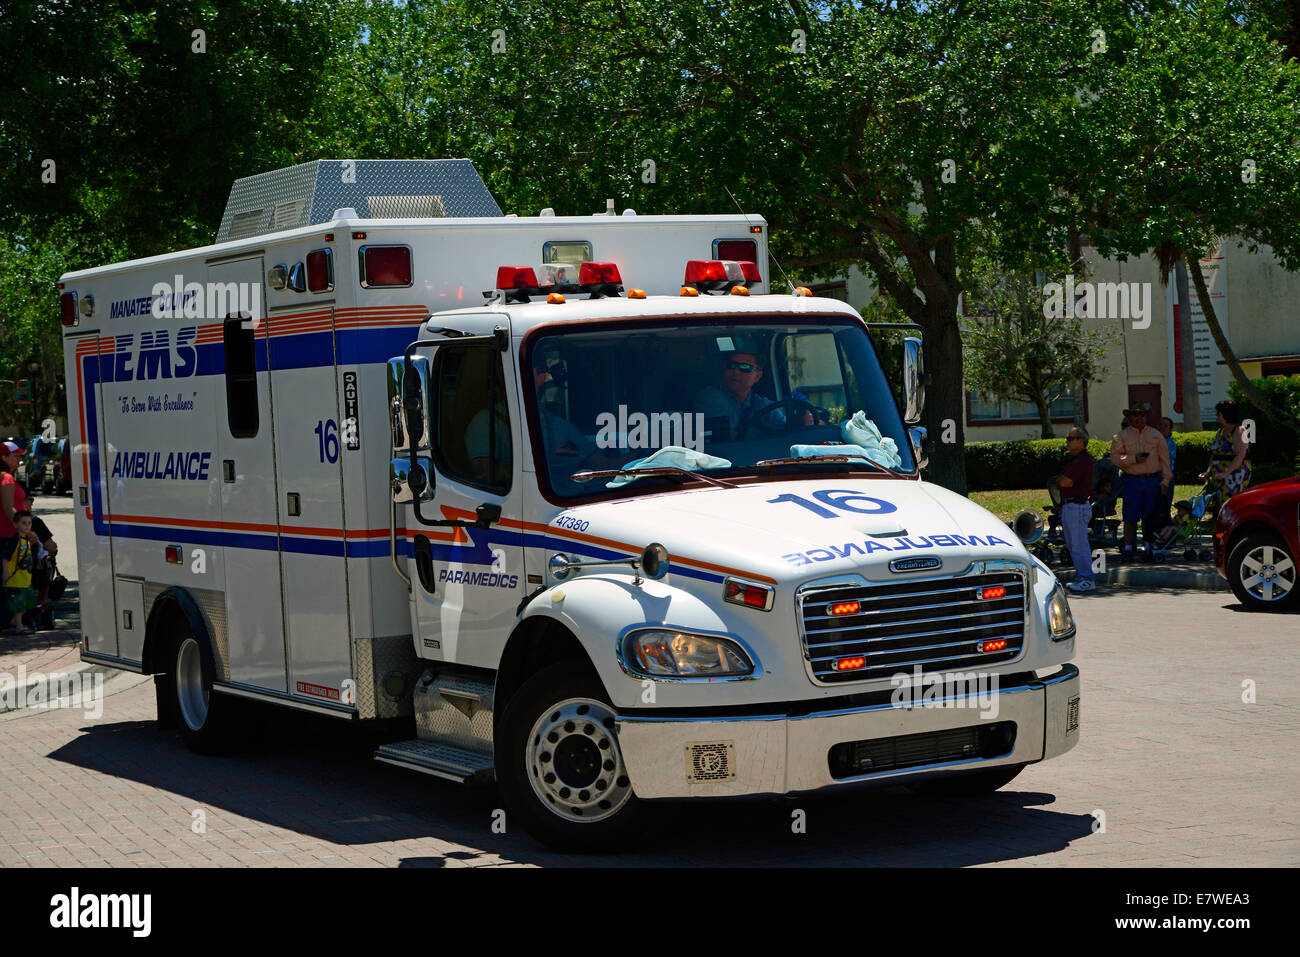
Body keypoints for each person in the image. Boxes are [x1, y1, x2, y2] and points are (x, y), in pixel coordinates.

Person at [1109, 401, 1171, 560]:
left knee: (1150, 517)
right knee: (1130, 517)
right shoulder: (1121, 436)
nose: (1139, 418)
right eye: (1135, 415)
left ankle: (1148, 548)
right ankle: (1128, 549)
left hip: (1152, 481)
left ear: (1147, 417)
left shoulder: (1156, 435)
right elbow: (1115, 458)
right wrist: (1133, 459)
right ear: (1129, 417)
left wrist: (1165, 481)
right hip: (1132, 480)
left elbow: (1165, 460)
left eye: (1142, 415)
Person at [694, 348, 793, 441]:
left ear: (757, 376)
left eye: (744, 367)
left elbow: (789, 432)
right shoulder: (709, 398)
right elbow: (728, 439)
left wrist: (803, 416)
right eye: (731, 365)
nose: (735, 372)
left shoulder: (761, 403)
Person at [1057, 427, 1097, 593]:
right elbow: (1063, 481)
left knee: (1079, 544)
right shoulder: (1075, 460)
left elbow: (1065, 481)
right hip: (1070, 505)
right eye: (1067, 438)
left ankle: (1087, 579)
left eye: (1070, 438)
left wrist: (1062, 480)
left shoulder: (1083, 461)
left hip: (1077, 506)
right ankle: (1082, 577)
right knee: (1074, 544)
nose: (1067, 441)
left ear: (1082, 441)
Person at [1200, 399, 1251, 500]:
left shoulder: (1239, 430)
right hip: (1219, 475)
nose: (1217, 416)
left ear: (1225, 414)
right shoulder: (1220, 431)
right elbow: (1215, 455)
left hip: (1234, 475)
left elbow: (1240, 455)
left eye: (1219, 413)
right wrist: (1208, 472)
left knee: (1232, 502)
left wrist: (1226, 473)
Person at [1, 510, 38, 635]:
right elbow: (5, 557)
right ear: (16, 525)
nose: (27, 526)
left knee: (28, 600)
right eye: (23, 523)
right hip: (15, 579)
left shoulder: (27, 541)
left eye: (29, 523)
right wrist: (5, 572)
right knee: (19, 603)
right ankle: (19, 625)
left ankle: (14, 621)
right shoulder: (14, 540)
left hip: (25, 579)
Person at [1143, 416, 1178, 542]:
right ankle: (1150, 538)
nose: (1161, 427)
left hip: (1165, 478)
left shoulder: (1170, 443)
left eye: (1165, 425)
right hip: (1152, 478)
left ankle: (1166, 538)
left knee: (1164, 508)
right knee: (1150, 509)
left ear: (1170, 430)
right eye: (1160, 424)